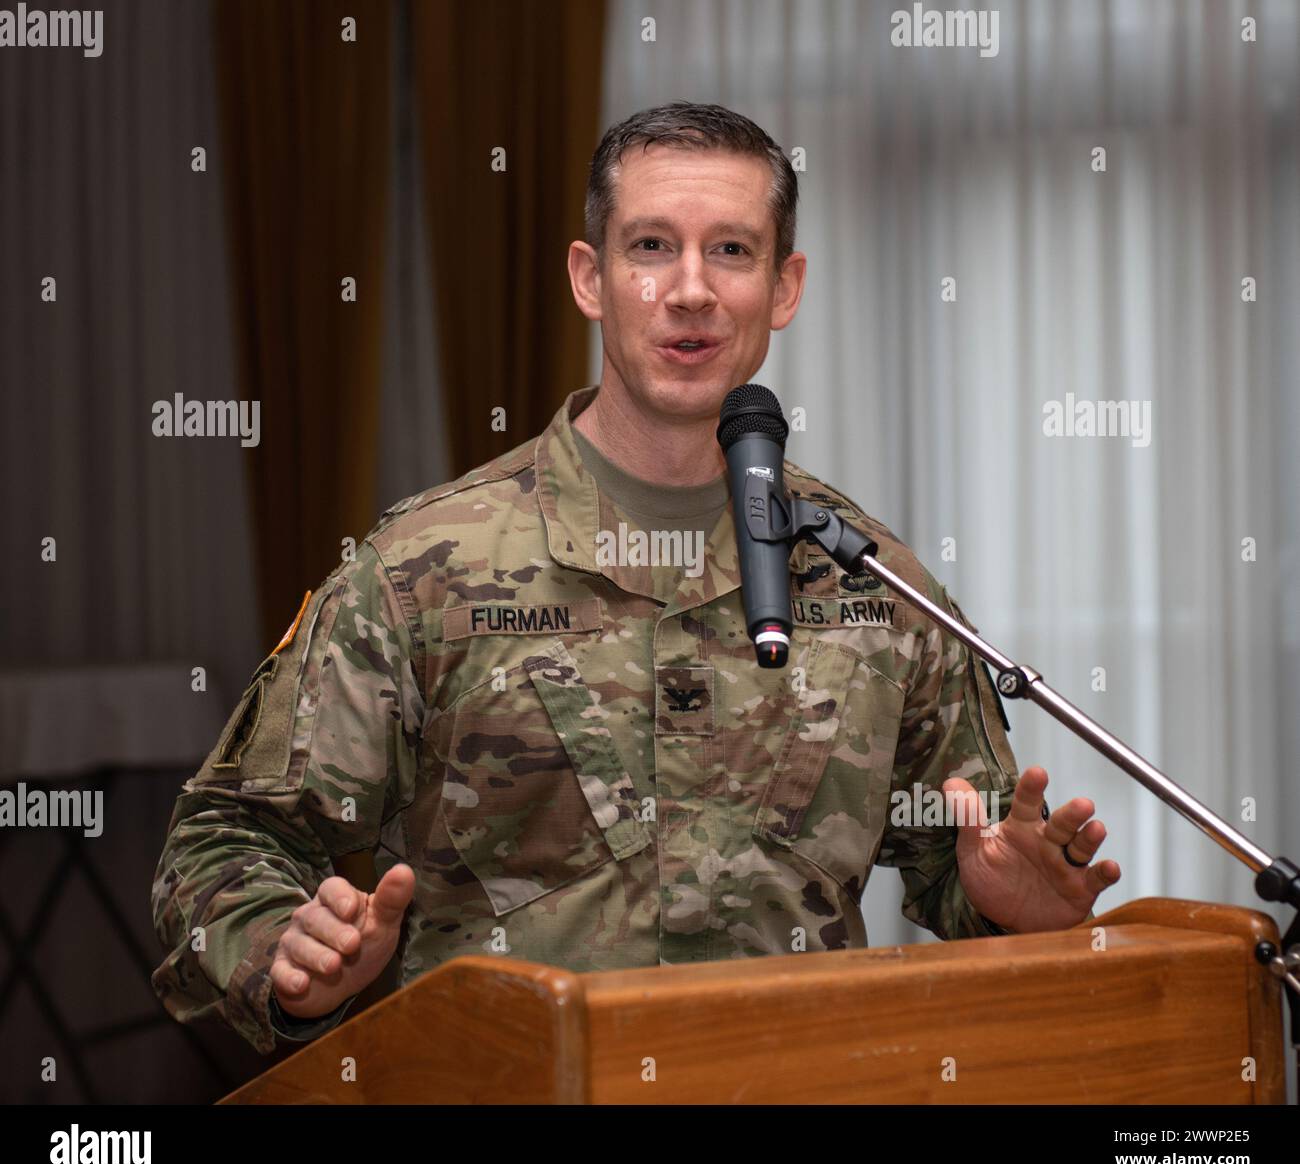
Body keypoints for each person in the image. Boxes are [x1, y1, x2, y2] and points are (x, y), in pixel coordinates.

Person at [151, 102, 1120, 1055]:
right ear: (591, 277)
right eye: (651, 246)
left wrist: (1010, 908)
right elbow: (223, 838)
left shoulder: (869, 580)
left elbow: (959, 859)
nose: (690, 289)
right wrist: (283, 947)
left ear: (784, 289)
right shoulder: (421, 570)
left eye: (731, 251)